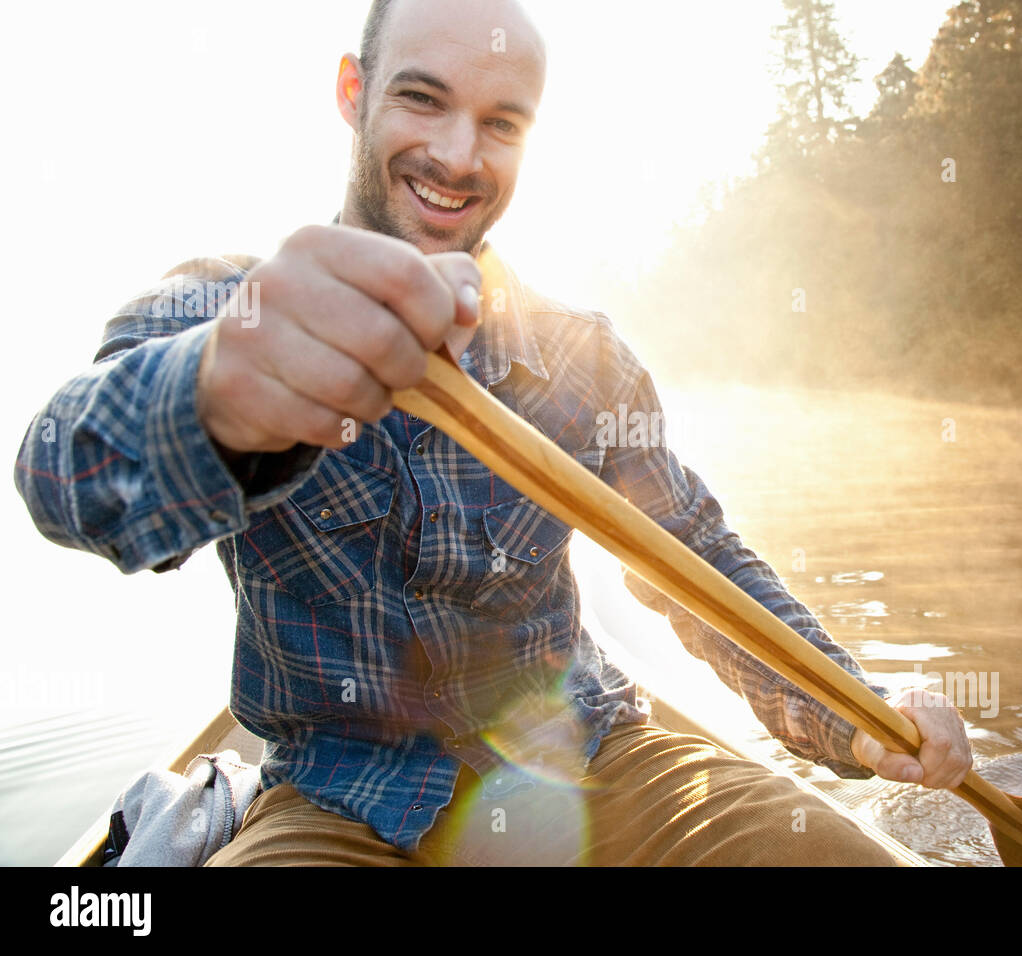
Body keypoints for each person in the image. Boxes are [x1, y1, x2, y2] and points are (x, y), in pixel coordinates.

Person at [14, 0, 972, 866]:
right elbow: (64, 477)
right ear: (354, 92)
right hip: (336, 800)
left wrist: (854, 715)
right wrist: (217, 390)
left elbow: (700, 562)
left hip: (593, 760)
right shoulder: (230, 308)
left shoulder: (581, 357)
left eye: (501, 124)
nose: (460, 156)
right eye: (422, 100)